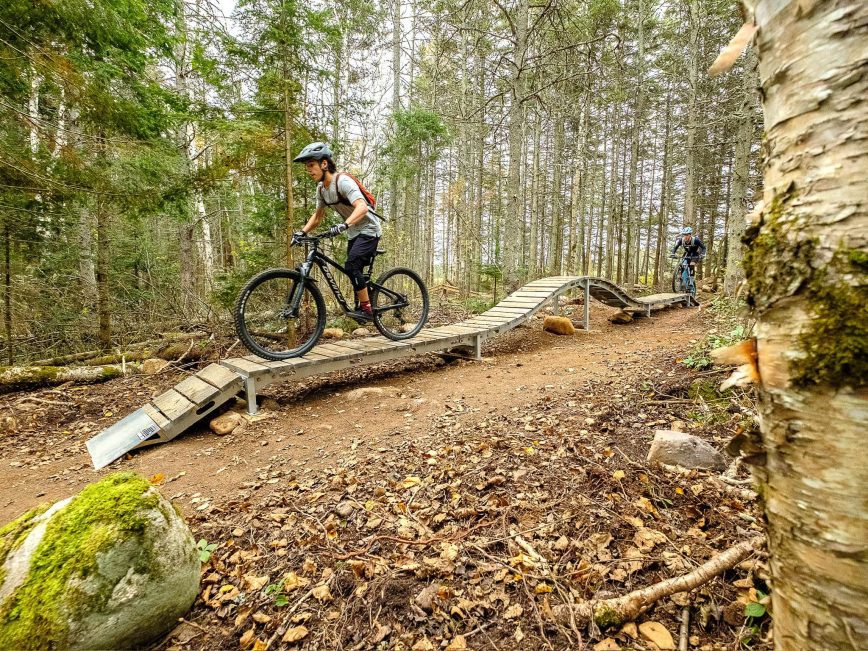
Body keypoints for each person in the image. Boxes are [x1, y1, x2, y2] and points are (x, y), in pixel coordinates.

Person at [291, 142, 382, 322]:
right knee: (352, 270)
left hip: (369, 229)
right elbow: (318, 217)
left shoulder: (343, 182)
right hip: (354, 232)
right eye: (307, 166)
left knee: (351, 265)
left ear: (324, 164)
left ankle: (367, 310)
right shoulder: (321, 189)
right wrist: (301, 232)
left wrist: (344, 225)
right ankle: (364, 303)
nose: (309, 170)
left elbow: (362, 207)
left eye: (311, 165)